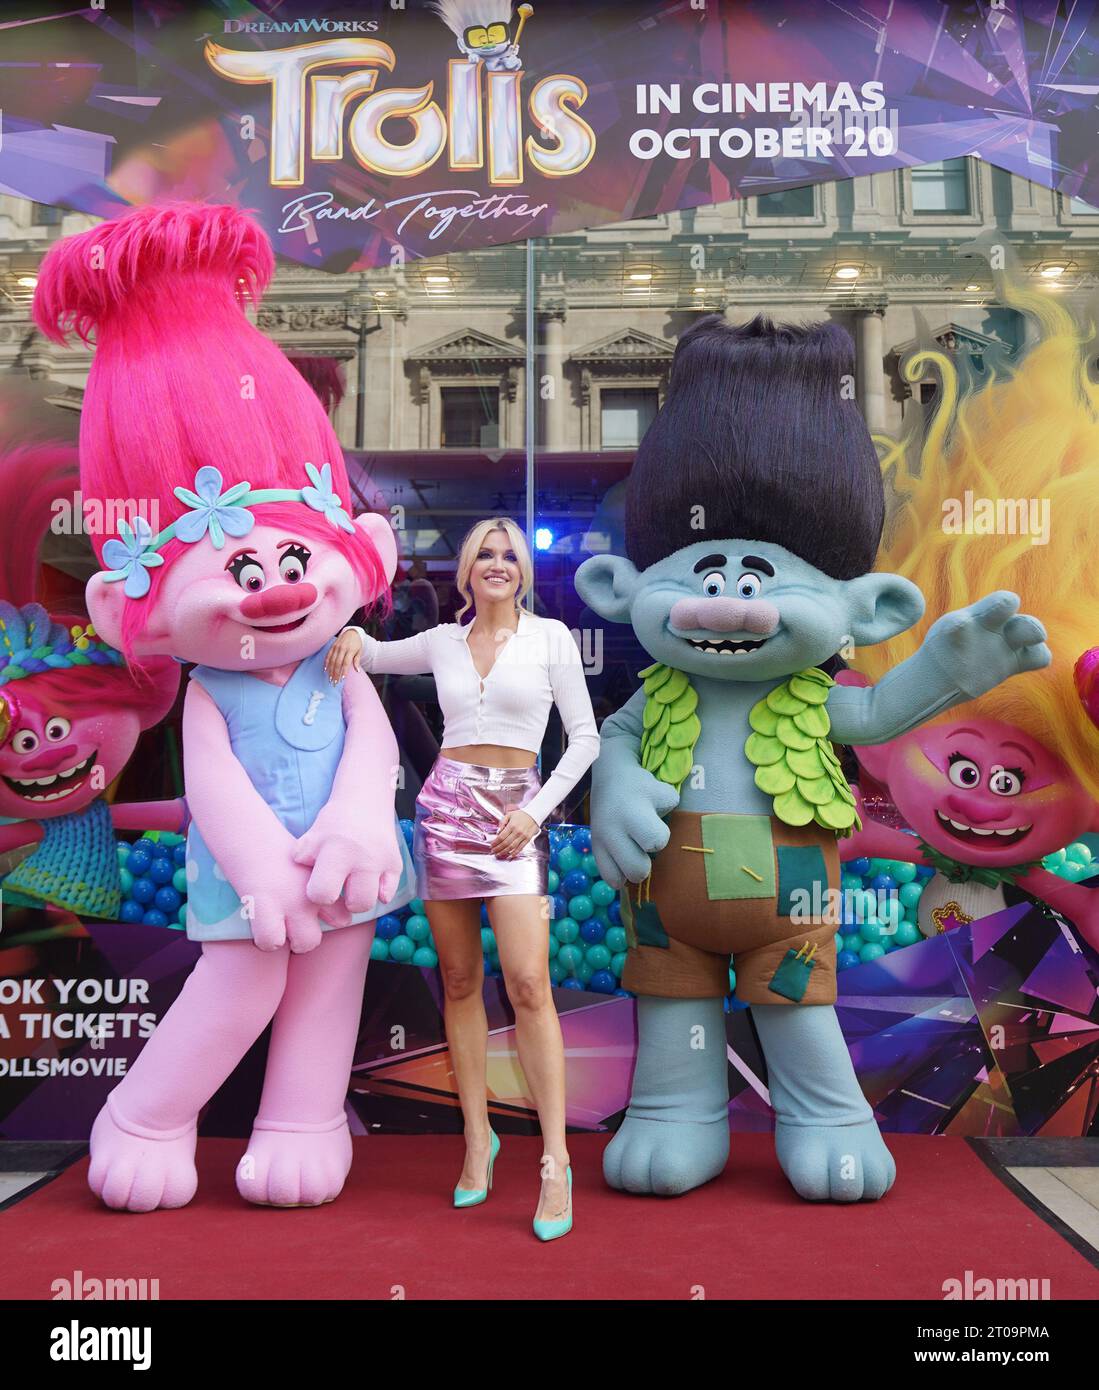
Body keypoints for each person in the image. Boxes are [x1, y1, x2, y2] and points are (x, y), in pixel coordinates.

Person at [325, 517, 599, 1239]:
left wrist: (535, 813)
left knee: (529, 985)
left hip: (516, 816)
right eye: (485, 555)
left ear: (523, 572)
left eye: (509, 555)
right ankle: (478, 1139)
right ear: (467, 570)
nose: (498, 564)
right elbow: (372, 654)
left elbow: (585, 739)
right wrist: (348, 632)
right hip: (445, 813)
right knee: (457, 980)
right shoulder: (442, 641)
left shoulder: (551, 639)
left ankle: (555, 1162)